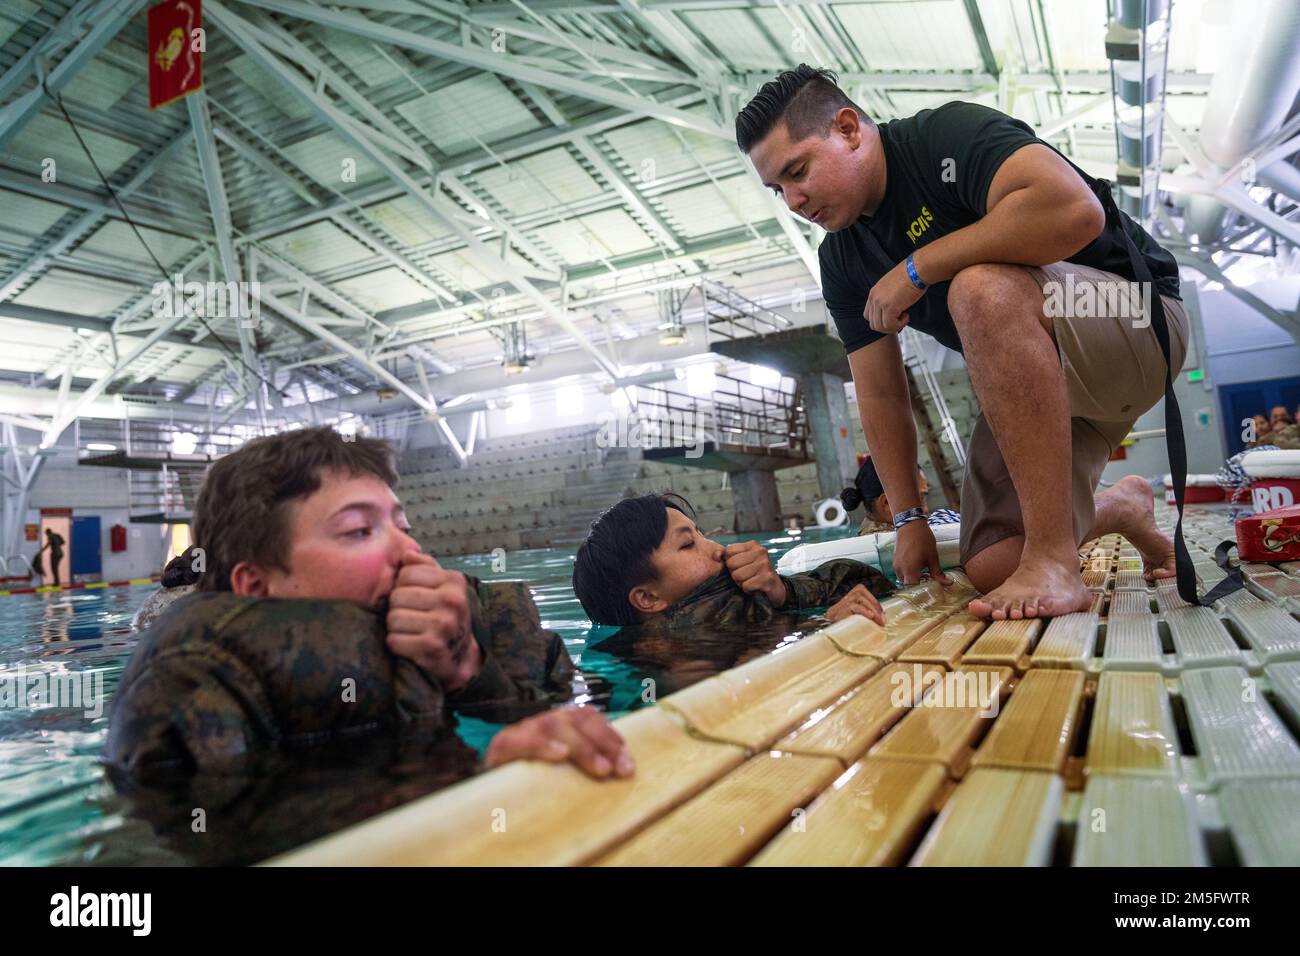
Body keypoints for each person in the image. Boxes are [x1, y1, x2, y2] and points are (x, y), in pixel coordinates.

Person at [738, 65, 1185, 619]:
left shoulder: (942, 139)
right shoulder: (842, 259)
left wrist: (921, 266)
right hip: (1055, 391)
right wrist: (909, 520)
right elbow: (880, 394)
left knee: (979, 290)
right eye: (777, 188)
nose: (793, 201)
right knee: (992, 563)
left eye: (798, 171)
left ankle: (1053, 558)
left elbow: (1075, 211)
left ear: (849, 129)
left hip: (1137, 322)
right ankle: (1120, 508)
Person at [107, 426, 633, 782]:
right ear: (255, 584)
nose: (411, 551)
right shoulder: (197, 681)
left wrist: (467, 671)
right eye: (359, 530)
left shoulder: (467, 623)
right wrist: (468, 776)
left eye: (402, 527)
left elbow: (566, 703)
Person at [571, 492, 891, 632]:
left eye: (701, 534)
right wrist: (823, 629)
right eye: (687, 544)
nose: (718, 549)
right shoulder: (670, 661)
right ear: (648, 597)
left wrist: (783, 592)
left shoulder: (731, 602)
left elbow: (868, 581)